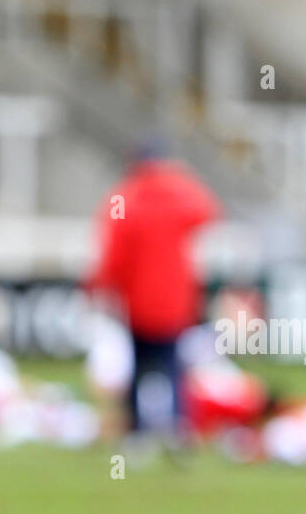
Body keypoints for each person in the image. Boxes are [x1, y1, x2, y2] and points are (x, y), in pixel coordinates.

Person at [86, 139, 221, 439]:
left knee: (138, 365)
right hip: (177, 298)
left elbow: (113, 253)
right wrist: (181, 177)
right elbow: (207, 211)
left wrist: (98, 285)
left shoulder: (125, 198)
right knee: (174, 365)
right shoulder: (180, 193)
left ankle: (137, 430)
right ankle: (177, 427)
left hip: (136, 299)